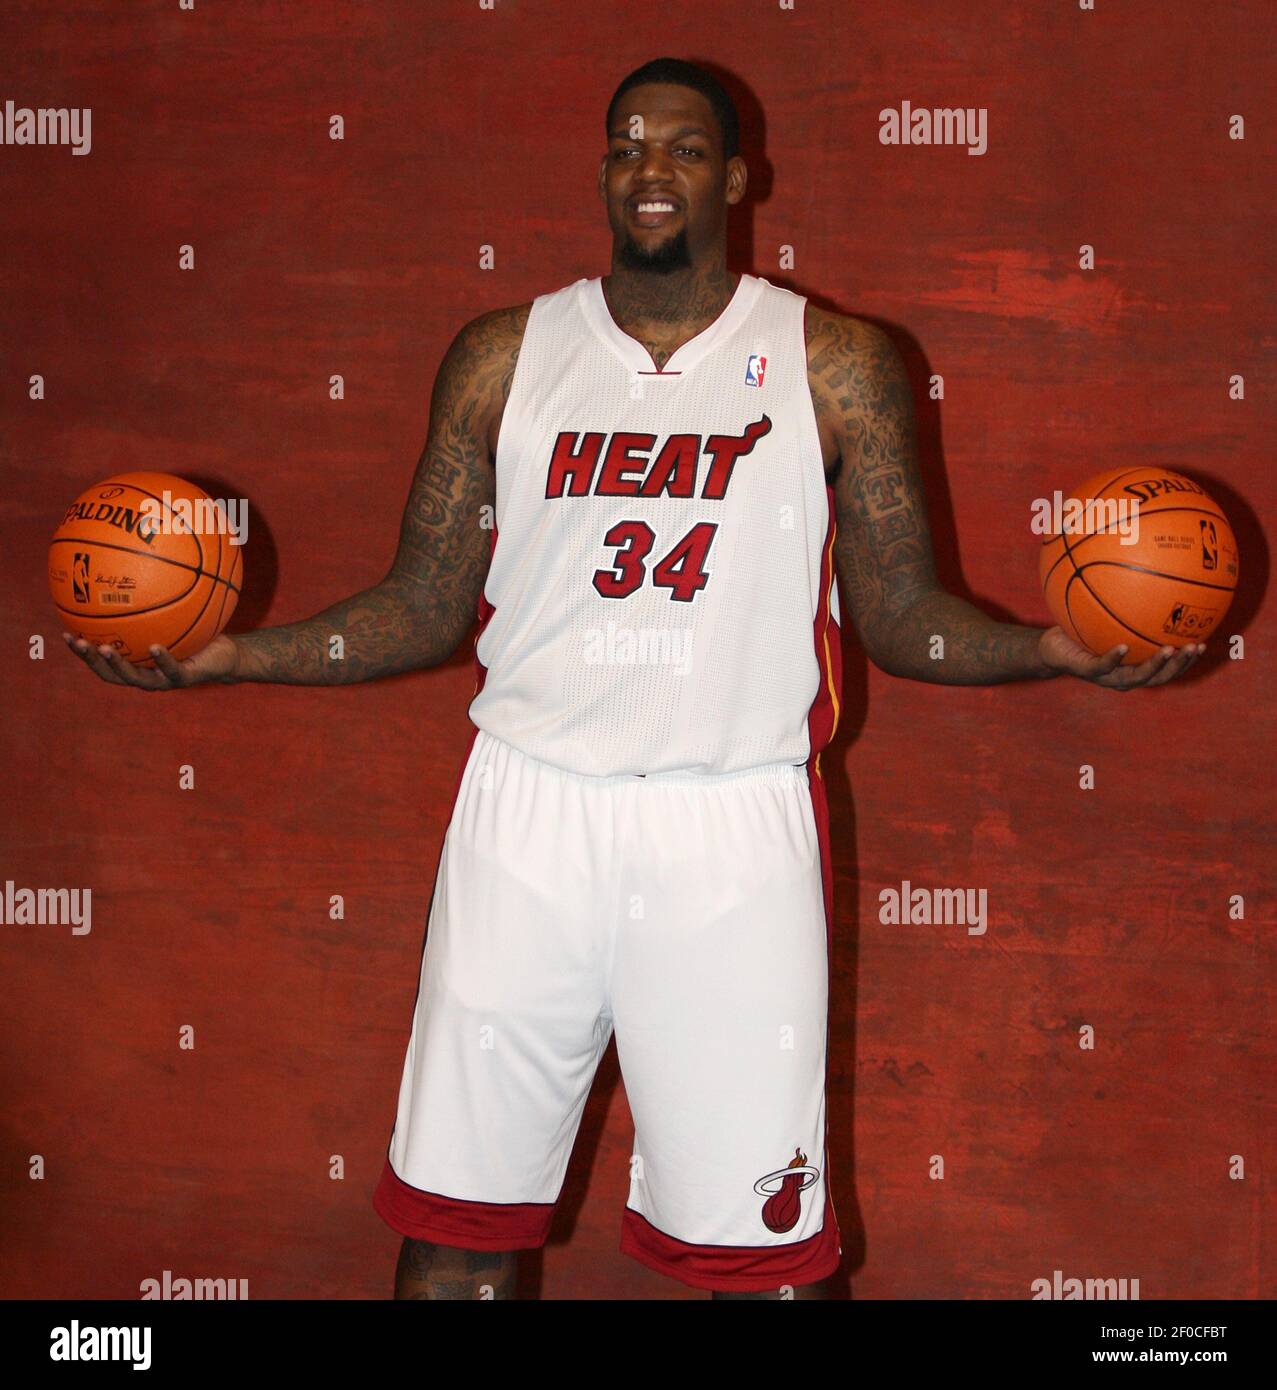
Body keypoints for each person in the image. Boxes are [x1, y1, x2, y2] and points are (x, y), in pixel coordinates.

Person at [64, 57, 1203, 1300]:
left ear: (737, 173)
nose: (648, 169)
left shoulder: (836, 363)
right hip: (526, 816)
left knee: (767, 1262)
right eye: (624, 146)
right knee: (456, 1232)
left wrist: (1046, 648)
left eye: (682, 147)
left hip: (731, 828)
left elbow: (902, 618)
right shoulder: (503, 358)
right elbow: (420, 604)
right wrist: (236, 657)